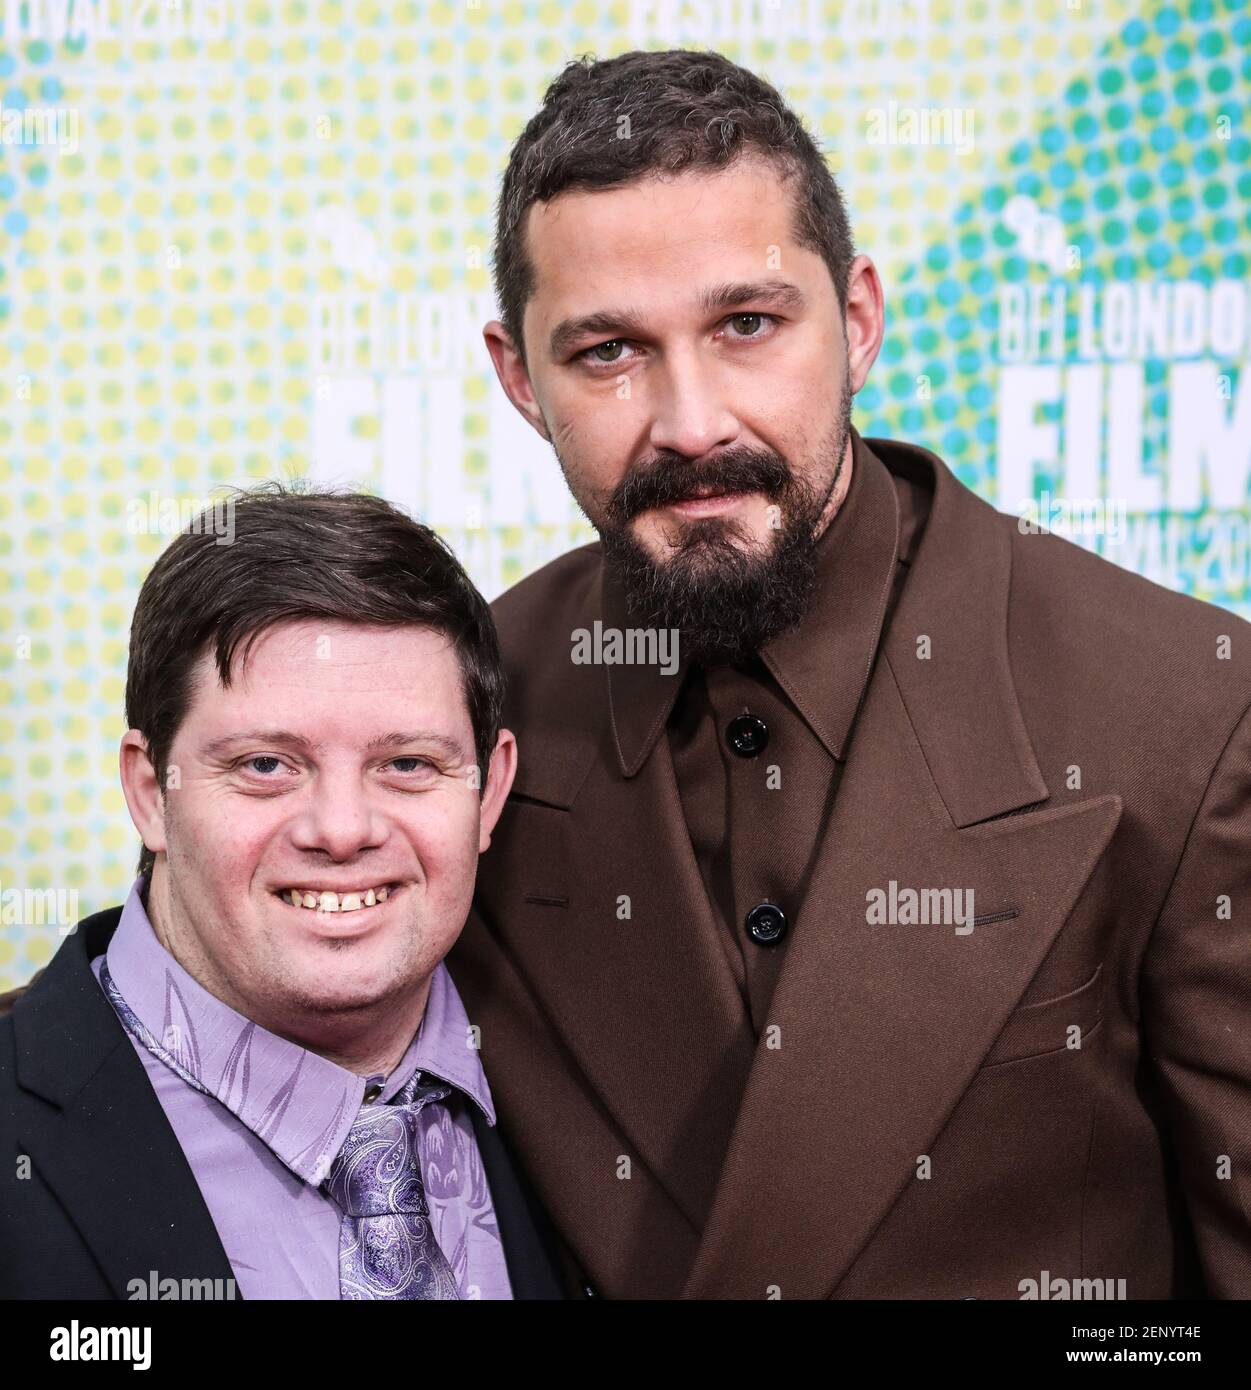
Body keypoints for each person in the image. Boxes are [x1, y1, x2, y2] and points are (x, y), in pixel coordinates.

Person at [447, 48, 1251, 1299]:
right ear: (518, 379)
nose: (693, 420)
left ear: (860, 318)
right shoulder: (454, 712)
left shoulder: (1183, 704)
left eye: (748, 324)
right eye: (609, 351)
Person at [0, 486, 568, 1300]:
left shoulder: (590, 1090)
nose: (341, 831)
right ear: (151, 791)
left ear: (487, 792)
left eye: (407, 764)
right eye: (266, 765)